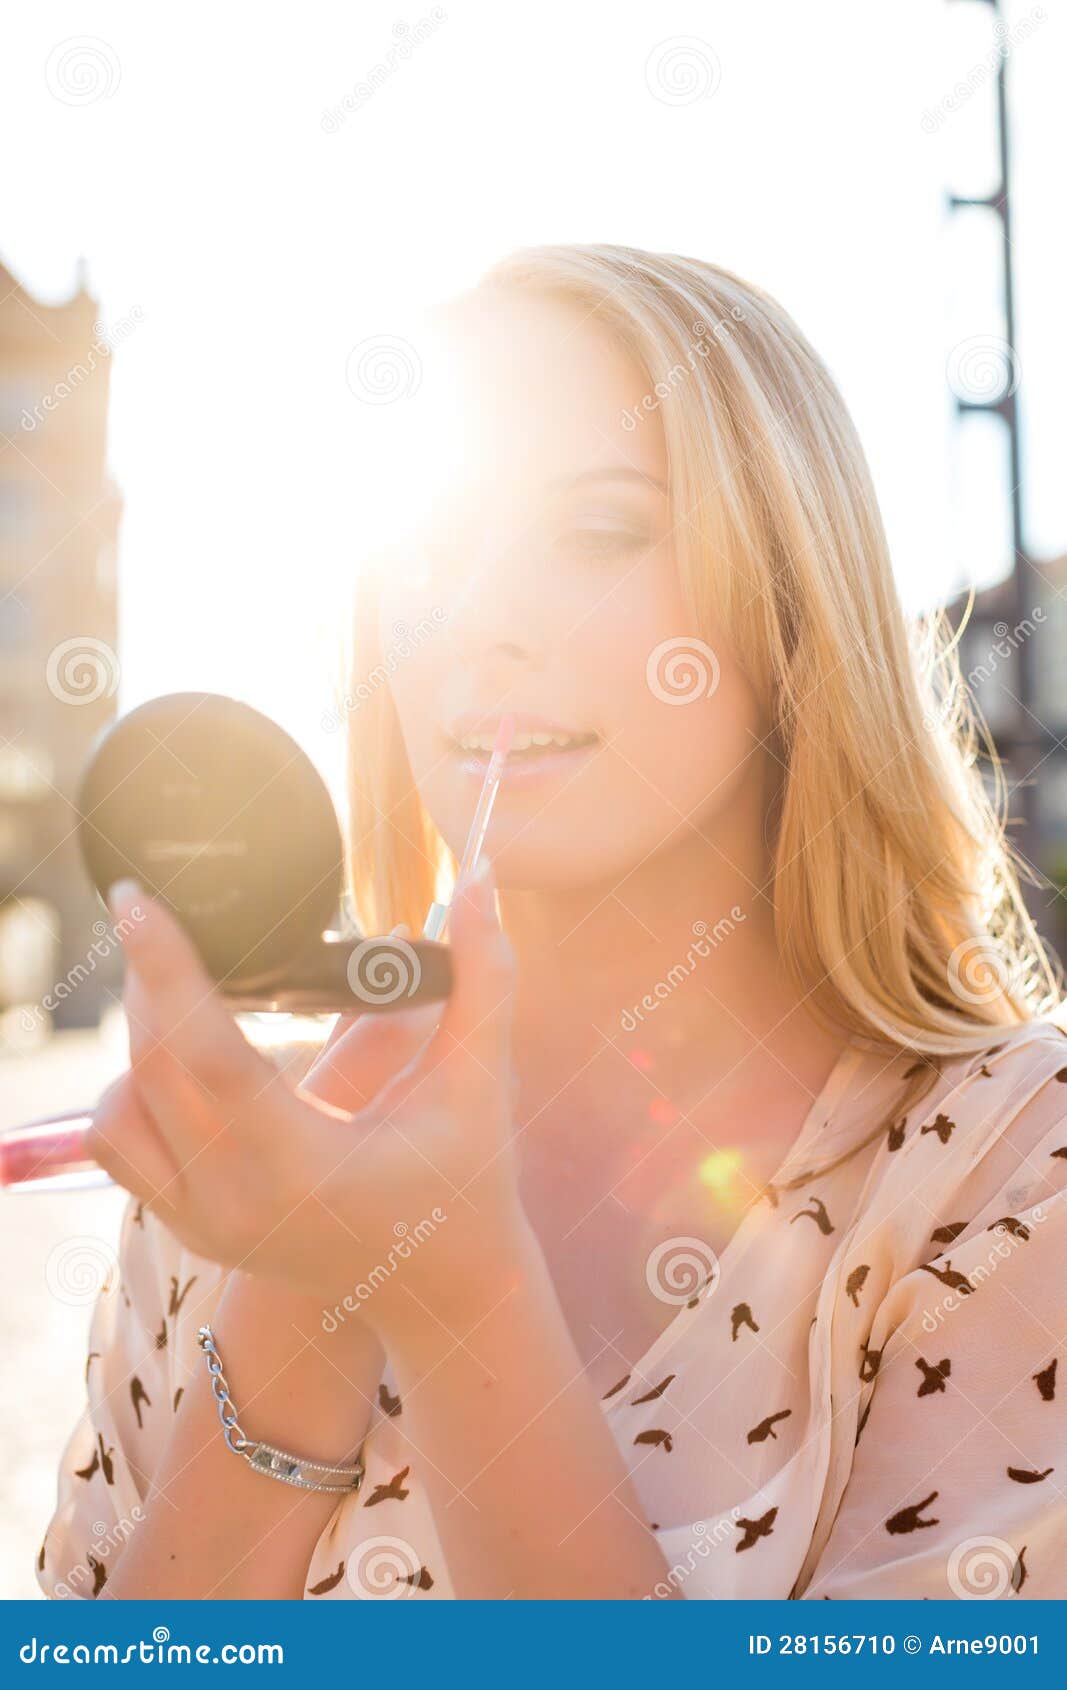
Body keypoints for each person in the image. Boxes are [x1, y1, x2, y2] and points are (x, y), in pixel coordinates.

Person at [37, 244, 1067, 1601]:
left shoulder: (1006, 1172)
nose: (481, 619)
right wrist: (298, 1300)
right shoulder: (243, 1174)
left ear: (789, 594)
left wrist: (457, 1296)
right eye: (430, 548)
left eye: (597, 530)